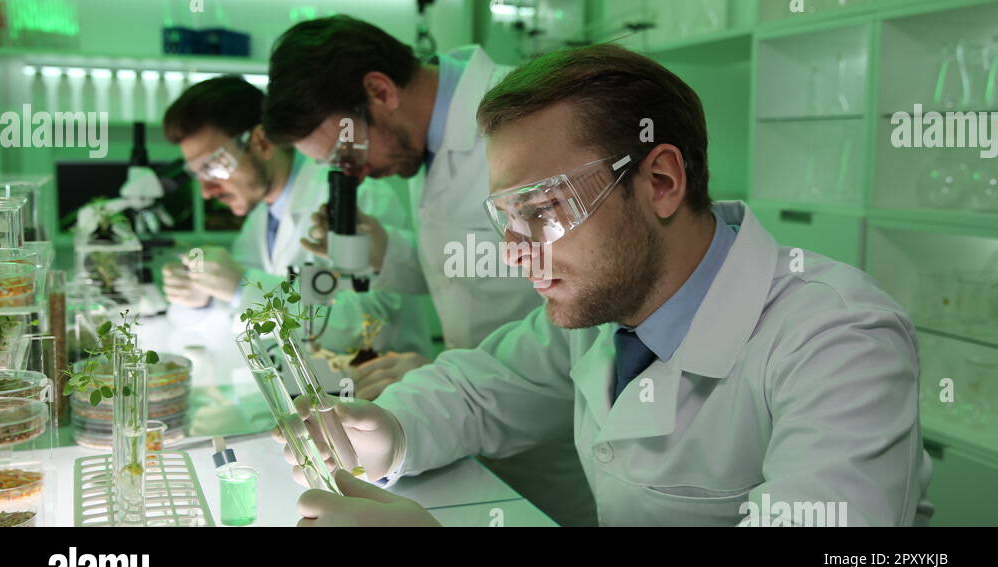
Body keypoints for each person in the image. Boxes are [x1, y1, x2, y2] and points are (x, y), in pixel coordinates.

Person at [277, 44, 935, 526]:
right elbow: (483, 386)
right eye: (506, 219)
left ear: (661, 182)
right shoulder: (607, 312)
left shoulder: (838, 341)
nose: (514, 254)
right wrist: (389, 429)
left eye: (541, 211)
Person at [263, 16, 597, 526]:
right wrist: (380, 249)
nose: (350, 174)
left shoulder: (526, 120)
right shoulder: (425, 142)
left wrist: (443, 388)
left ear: (379, 90)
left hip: (559, 437)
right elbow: (462, 272)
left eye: (343, 154)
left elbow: (592, 307)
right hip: (471, 418)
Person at [160, 75, 432, 357]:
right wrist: (201, 298)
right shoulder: (261, 220)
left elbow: (368, 326)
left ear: (261, 142)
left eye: (214, 167)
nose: (206, 191)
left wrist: (242, 288)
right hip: (310, 388)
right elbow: (236, 321)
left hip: (378, 391)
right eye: (197, 174)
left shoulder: (355, 195)